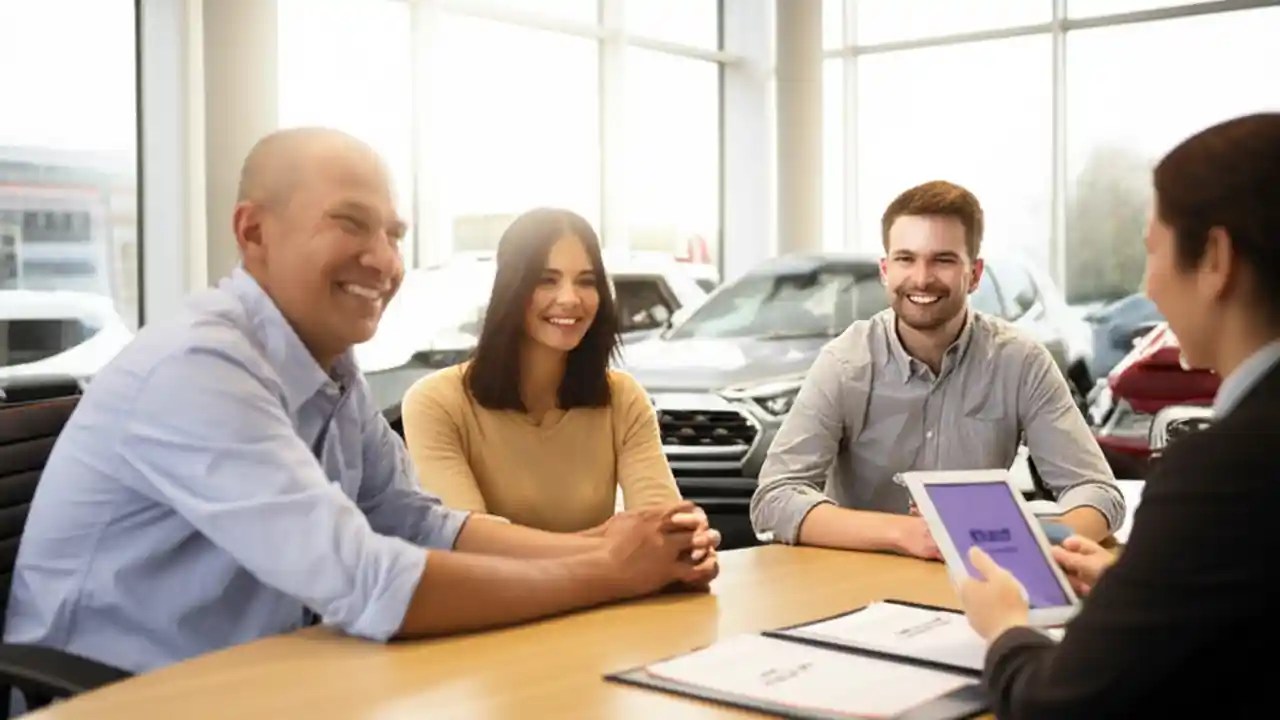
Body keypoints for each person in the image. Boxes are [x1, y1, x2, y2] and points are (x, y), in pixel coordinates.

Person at [2, 128, 719, 676]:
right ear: (253, 232)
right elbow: (370, 579)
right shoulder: (201, 365)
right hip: (121, 695)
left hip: (264, 678)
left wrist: (605, 546)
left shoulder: (329, 367)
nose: (383, 259)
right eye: (351, 224)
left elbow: (417, 521)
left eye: (394, 234)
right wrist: (606, 570)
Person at [959, 113, 1280, 718]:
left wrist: (1004, 627)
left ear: (1214, 259)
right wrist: (1144, 590)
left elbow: (1058, 706)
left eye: (1151, 252)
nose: (1148, 286)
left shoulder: (1227, 469)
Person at [750, 180, 1123, 558]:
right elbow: (775, 498)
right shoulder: (845, 363)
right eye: (905, 259)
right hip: (859, 578)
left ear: (974, 274)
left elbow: (1098, 492)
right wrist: (905, 534)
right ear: (885, 270)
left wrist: (1023, 537)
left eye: (942, 260)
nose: (922, 278)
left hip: (983, 573)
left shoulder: (1021, 361)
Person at [401, 208, 682, 533]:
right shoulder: (436, 402)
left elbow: (664, 532)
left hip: (605, 585)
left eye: (586, 281)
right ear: (511, 287)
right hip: (498, 586)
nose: (569, 298)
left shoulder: (622, 397)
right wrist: (613, 544)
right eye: (546, 280)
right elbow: (469, 546)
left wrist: (663, 538)